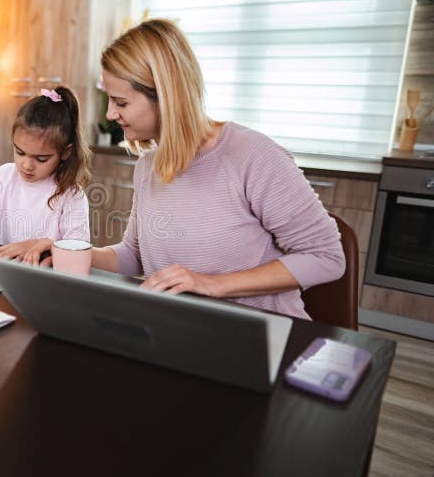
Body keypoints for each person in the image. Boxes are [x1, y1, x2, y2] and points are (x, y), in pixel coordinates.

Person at [93, 19, 345, 319]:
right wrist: (71, 254)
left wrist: (211, 285)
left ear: (166, 96)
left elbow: (327, 257)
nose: (110, 113)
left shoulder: (252, 155)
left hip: (260, 338)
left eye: (121, 102)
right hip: (184, 333)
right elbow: (134, 256)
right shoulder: (149, 165)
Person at [0, 86, 91, 265]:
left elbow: (77, 250)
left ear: (65, 152)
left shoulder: (72, 195)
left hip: (42, 279)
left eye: (41, 159)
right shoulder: (4, 175)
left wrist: (43, 245)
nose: (27, 166)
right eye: (20, 152)